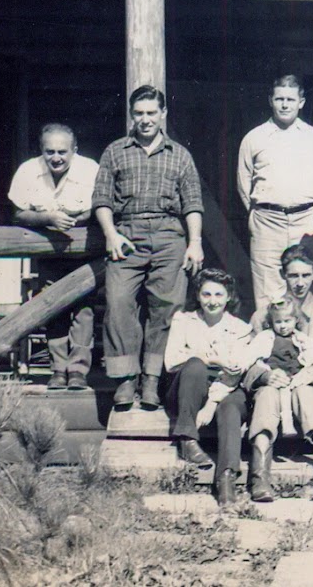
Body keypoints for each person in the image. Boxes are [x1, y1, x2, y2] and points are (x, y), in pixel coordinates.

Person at [92, 85, 204, 410]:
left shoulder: (180, 155)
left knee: (167, 307)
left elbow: (192, 203)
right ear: (131, 114)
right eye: (139, 113)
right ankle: (126, 379)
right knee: (118, 302)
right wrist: (111, 234)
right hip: (127, 233)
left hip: (169, 234)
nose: (145, 119)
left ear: (163, 114)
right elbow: (101, 199)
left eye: (151, 113)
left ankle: (152, 379)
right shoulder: (115, 151)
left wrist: (195, 242)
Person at [245, 245, 313, 502]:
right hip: (274, 387)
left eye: (305, 275)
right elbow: (246, 360)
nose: (300, 282)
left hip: (312, 389)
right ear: (283, 275)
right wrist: (264, 375)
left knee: (304, 391)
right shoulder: (264, 314)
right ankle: (259, 475)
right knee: (267, 393)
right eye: (293, 275)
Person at [7, 123, 99, 390]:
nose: (56, 158)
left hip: (82, 250)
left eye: (62, 152)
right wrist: (48, 217)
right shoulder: (28, 171)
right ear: (41, 150)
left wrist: (76, 219)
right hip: (48, 250)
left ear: (74, 150)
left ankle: (78, 370)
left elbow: (100, 207)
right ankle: (58, 369)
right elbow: (18, 214)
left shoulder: (90, 169)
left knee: (83, 310)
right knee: (53, 307)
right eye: (50, 152)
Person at [238, 75, 313, 304]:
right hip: (267, 222)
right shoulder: (254, 138)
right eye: (279, 99)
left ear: (301, 102)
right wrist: (257, 215)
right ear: (271, 100)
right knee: (268, 290)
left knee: (306, 285)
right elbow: (243, 182)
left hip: (307, 220)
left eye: (290, 99)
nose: (285, 105)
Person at [162, 268, 252, 506]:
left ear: (228, 297)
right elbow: (172, 362)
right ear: (198, 295)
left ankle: (226, 480)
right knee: (195, 365)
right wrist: (212, 359)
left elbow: (235, 374)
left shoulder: (240, 328)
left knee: (231, 407)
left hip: (225, 389)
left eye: (219, 295)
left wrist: (211, 405)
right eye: (207, 294)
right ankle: (187, 440)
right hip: (188, 391)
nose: (213, 301)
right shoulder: (184, 320)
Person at [242, 298, 313, 438]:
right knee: (280, 392)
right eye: (278, 322)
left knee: (298, 390)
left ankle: (298, 424)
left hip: (294, 374)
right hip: (275, 373)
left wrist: (308, 360)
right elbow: (251, 354)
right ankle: (286, 423)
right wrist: (249, 366)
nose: (283, 326)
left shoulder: (300, 337)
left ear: (296, 320)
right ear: (271, 322)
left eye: (287, 321)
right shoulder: (266, 336)